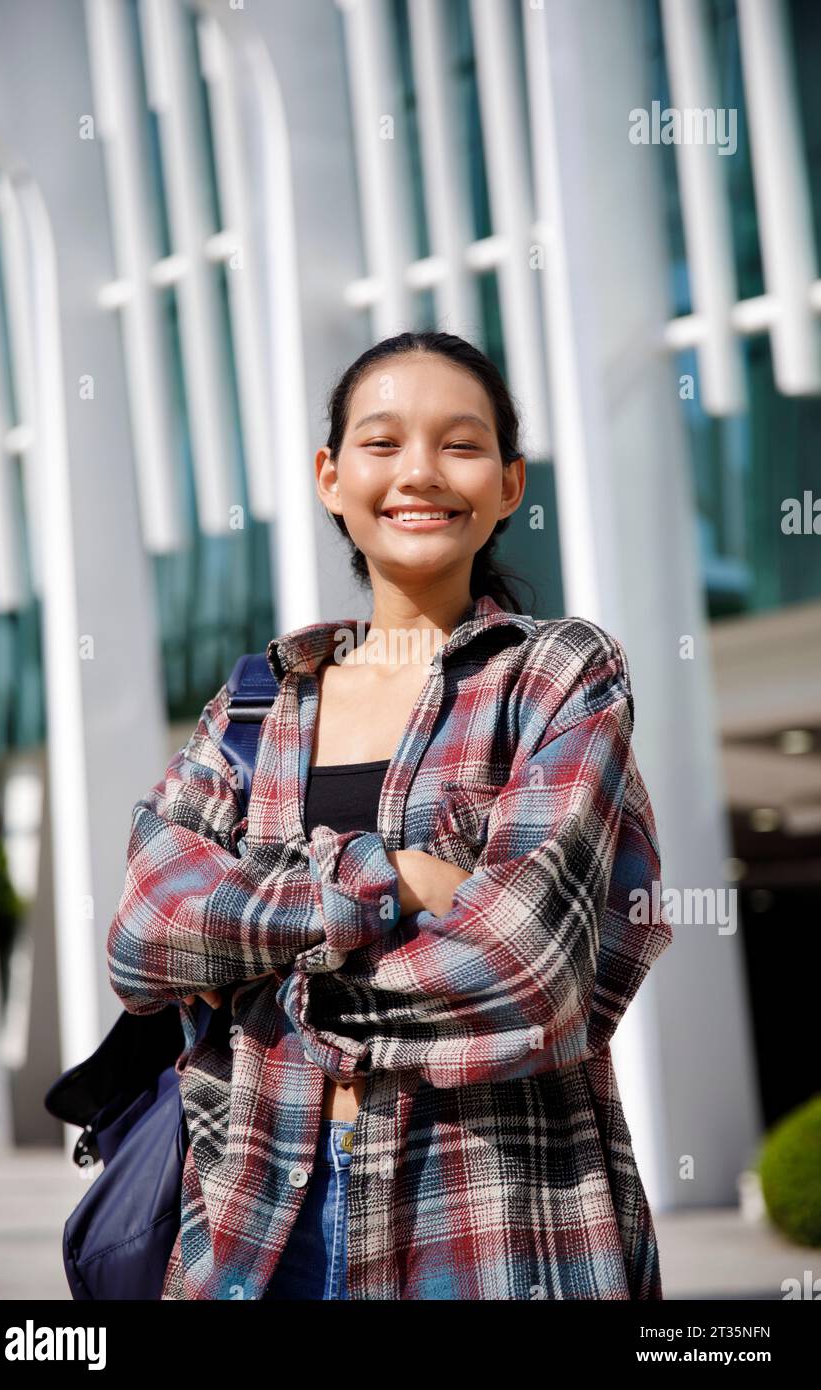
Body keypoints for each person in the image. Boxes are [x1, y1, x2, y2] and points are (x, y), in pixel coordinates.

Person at [106, 329, 673, 1300]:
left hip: (488, 1229)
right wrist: (394, 880)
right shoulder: (257, 704)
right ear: (329, 477)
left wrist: (261, 977)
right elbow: (144, 935)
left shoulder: (555, 677)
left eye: (459, 444)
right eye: (380, 443)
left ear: (508, 483)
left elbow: (527, 971)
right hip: (252, 1230)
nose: (419, 472)